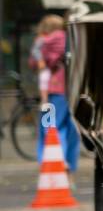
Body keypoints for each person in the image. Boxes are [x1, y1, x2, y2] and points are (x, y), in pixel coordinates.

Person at [37, 15, 80, 181]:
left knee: (52, 127)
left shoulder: (45, 41)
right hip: (74, 89)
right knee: (72, 129)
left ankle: (55, 163)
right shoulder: (73, 38)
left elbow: (37, 63)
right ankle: (69, 167)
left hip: (55, 89)